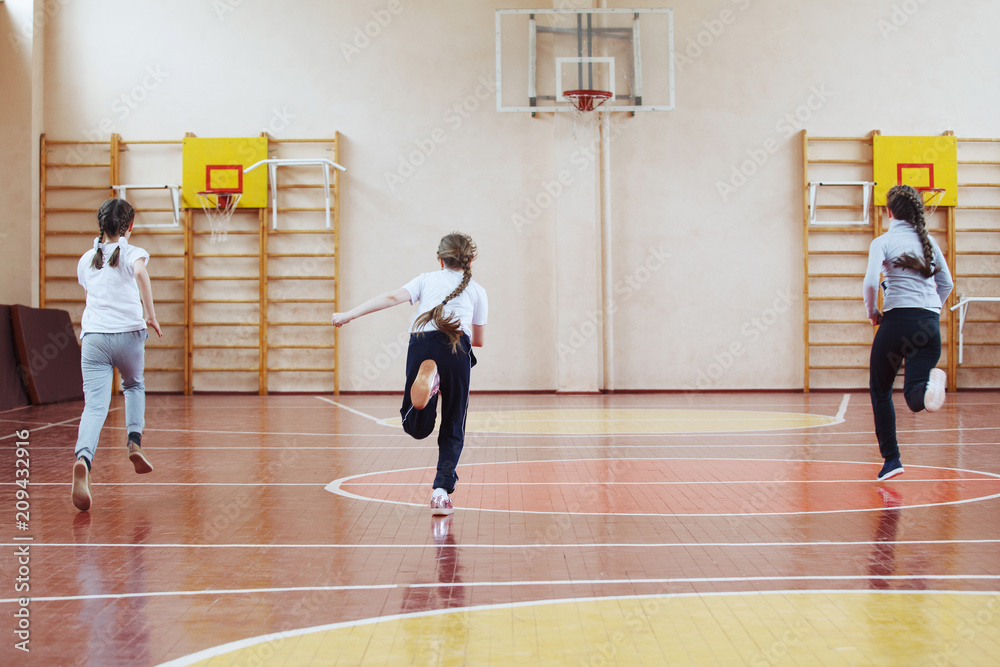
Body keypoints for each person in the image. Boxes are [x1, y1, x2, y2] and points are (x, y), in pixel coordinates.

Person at [332, 232, 487, 515]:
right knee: (454, 422)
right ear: (470, 260)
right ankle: (440, 493)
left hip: (422, 343)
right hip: (457, 348)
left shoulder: (425, 279)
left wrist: (347, 315)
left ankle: (427, 387)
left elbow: (391, 297)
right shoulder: (477, 290)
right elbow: (479, 341)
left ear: (440, 259)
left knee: (416, 428)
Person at [72, 198, 162, 511]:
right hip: (128, 336)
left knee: (94, 406)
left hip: (94, 338)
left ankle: (84, 457)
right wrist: (150, 314)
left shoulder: (86, 259)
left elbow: (91, 294)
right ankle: (134, 442)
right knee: (134, 386)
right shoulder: (132, 252)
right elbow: (139, 275)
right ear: (130, 226)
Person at [863, 184, 953, 481]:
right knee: (916, 396)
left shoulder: (883, 241)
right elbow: (947, 284)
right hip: (929, 326)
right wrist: (931, 311)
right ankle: (929, 388)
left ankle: (892, 460)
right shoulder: (929, 241)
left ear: (889, 212)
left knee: (881, 389)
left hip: (896, 323)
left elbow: (870, 284)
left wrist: (873, 312)